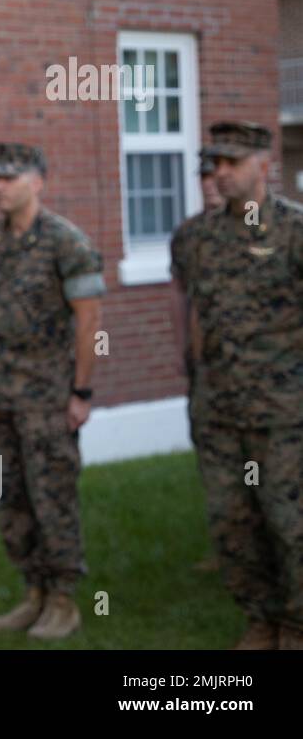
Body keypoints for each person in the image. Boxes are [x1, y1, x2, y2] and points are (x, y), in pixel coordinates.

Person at [0, 142, 104, 640]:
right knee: (10, 496)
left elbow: (89, 322)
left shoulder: (67, 243)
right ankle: (33, 593)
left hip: (48, 397)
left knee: (53, 496)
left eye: (10, 177)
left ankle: (63, 599)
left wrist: (81, 392)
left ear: (38, 182)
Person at [184, 120, 303, 650]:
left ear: (264, 164)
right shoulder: (196, 237)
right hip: (219, 410)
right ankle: (260, 618)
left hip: (284, 411)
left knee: (289, 521)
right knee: (233, 520)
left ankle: (297, 626)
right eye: (215, 164)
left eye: (232, 163)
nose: (220, 174)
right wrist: (188, 371)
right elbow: (190, 308)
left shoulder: (295, 231)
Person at [167, 149, 226, 573]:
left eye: (215, 175)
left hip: (262, 374)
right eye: (202, 176)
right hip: (206, 372)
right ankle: (229, 547)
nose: (208, 183)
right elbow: (178, 294)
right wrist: (180, 347)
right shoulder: (189, 236)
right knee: (213, 457)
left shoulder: (272, 230)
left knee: (263, 466)